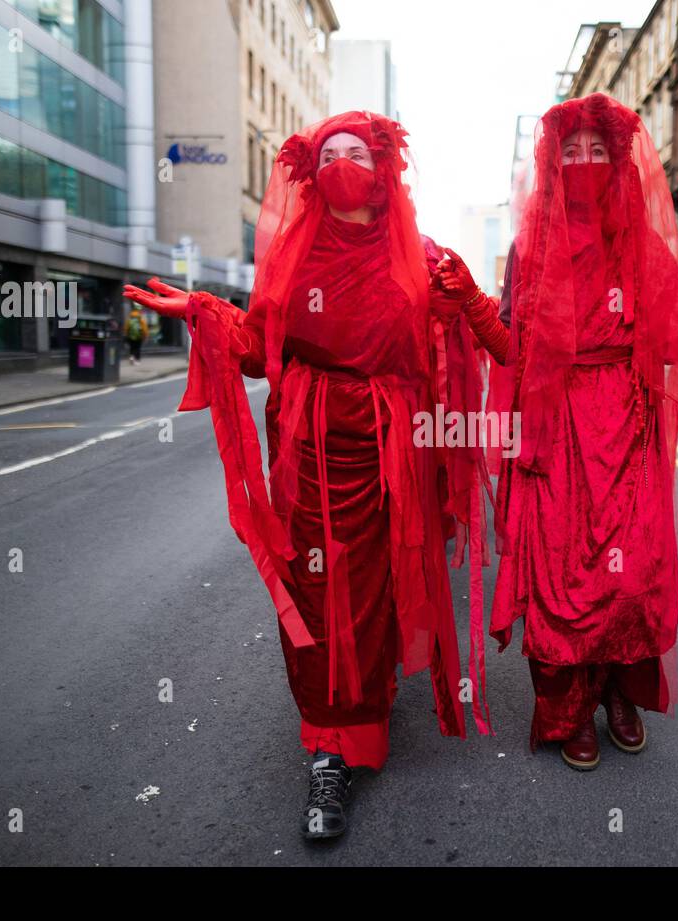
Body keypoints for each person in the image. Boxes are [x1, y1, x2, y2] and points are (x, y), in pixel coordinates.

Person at [124, 112, 491, 840]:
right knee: (319, 594)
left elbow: (476, 341)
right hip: (313, 445)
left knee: (381, 585)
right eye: (329, 155)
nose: (343, 164)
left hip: (394, 446)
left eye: (356, 153)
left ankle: (370, 702)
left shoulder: (421, 257)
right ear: (308, 172)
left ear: (383, 165)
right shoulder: (293, 254)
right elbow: (261, 347)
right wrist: (201, 312)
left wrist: (466, 297)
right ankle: (329, 749)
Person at [432, 93, 678, 770]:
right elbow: (512, 350)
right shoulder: (532, 247)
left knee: (630, 576)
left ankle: (620, 692)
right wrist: (470, 296)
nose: (585, 162)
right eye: (572, 151)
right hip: (556, 434)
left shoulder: (640, 242)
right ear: (555, 163)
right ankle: (569, 709)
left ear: (617, 161)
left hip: (628, 427)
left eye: (598, 151)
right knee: (564, 581)